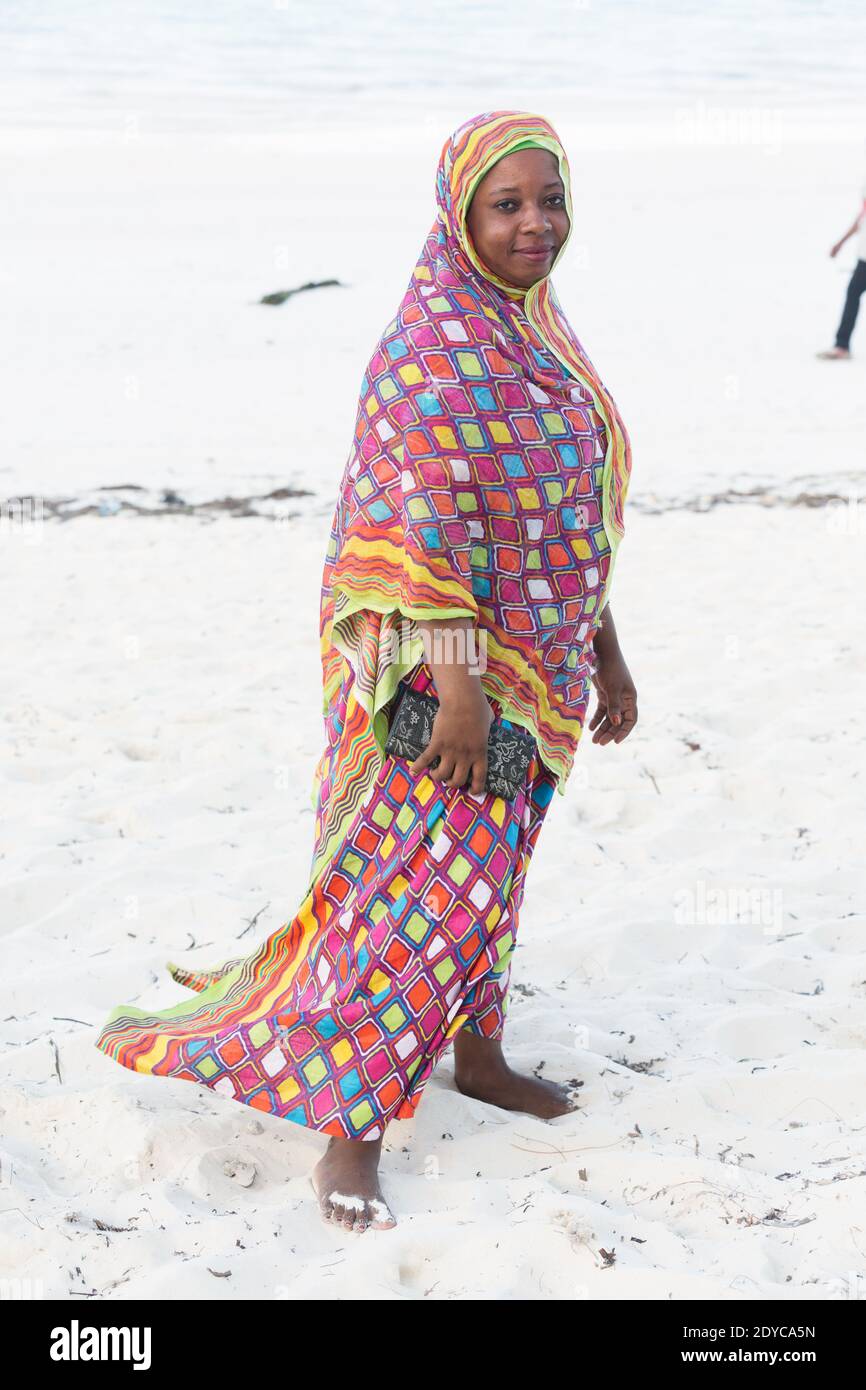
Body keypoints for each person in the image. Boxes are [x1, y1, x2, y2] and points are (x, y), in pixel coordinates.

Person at [95, 109, 637, 1234]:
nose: (535, 222)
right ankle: (350, 1135)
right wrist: (458, 690)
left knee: (492, 881)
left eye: (549, 199)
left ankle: (479, 1058)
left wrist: (606, 649)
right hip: (445, 689)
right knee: (406, 896)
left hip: (540, 674)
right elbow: (424, 534)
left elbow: (557, 521)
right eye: (508, 204)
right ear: (459, 215)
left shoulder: (535, 331)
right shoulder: (430, 351)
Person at [817, 172, 866, 359]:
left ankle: (842, 345)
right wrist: (840, 243)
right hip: (863, 259)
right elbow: (860, 220)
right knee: (852, 294)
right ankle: (842, 345)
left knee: (853, 294)